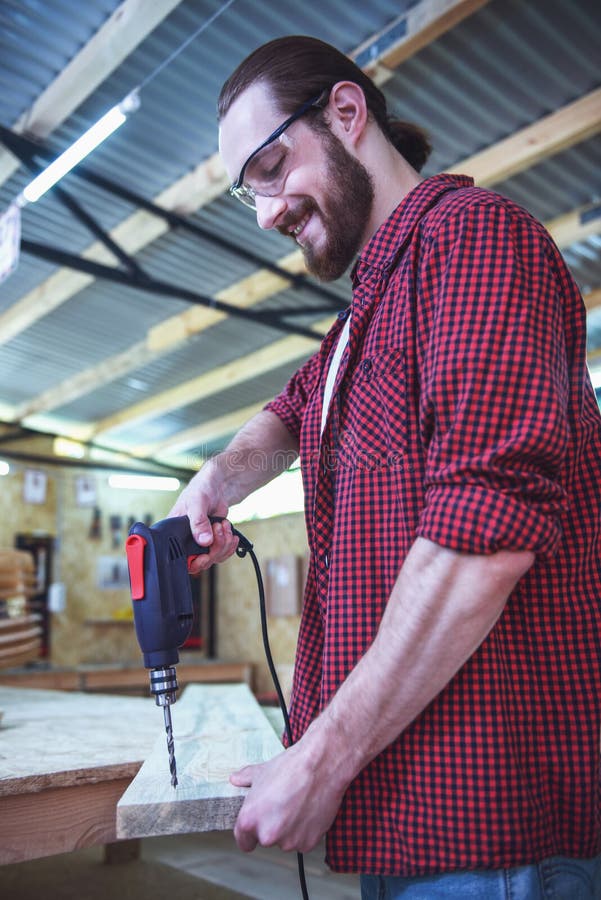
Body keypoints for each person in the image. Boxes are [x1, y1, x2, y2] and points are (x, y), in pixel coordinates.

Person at [169, 35, 601, 899]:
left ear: (345, 112)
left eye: (270, 166)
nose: (266, 213)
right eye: (245, 192)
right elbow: (293, 409)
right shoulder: (365, 313)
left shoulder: (475, 243)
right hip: (407, 815)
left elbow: (485, 538)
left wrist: (320, 761)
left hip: (496, 824)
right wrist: (218, 479)